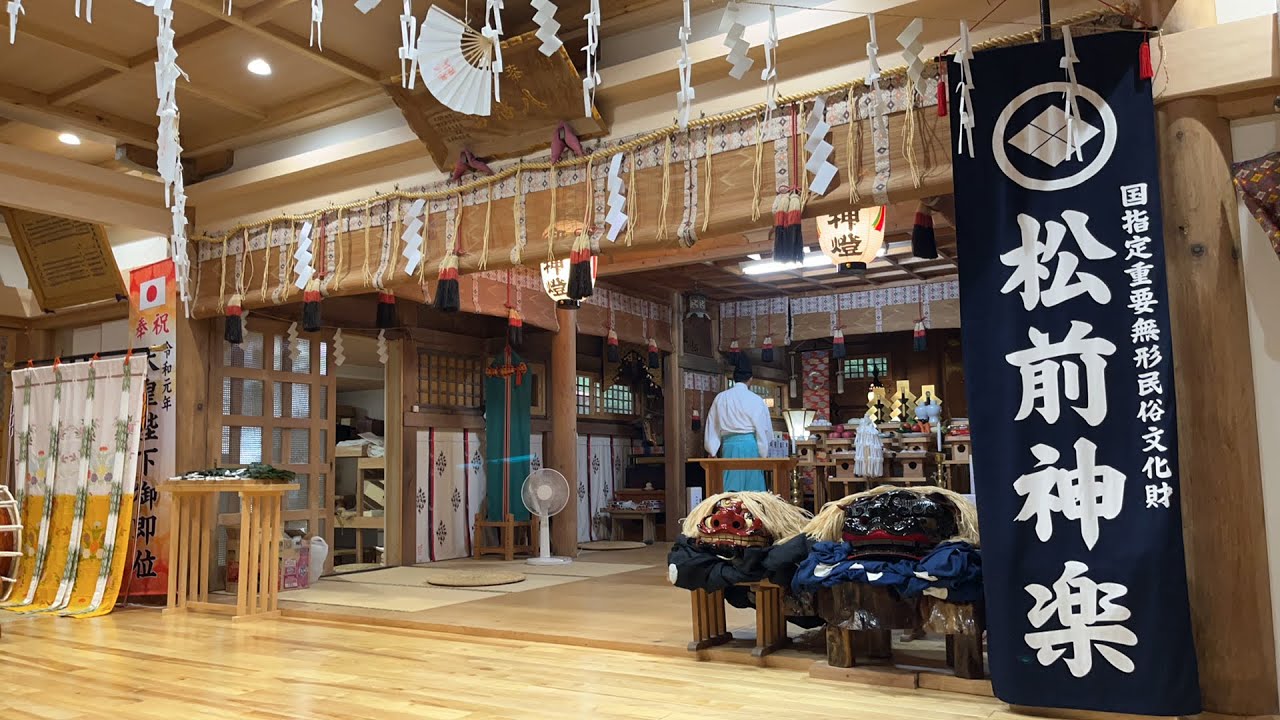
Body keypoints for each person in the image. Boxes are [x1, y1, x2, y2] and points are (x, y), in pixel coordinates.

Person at [703, 353, 774, 492]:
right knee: (753, 493)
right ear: (750, 379)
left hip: (729, 448)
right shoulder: (756, 400)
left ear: (734, 378)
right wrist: (763, 452)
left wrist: (712, 449)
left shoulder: (721, 398)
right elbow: (763, 429)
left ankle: (728, 514)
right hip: (751, 447)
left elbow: (713, 424)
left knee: (730, 490)